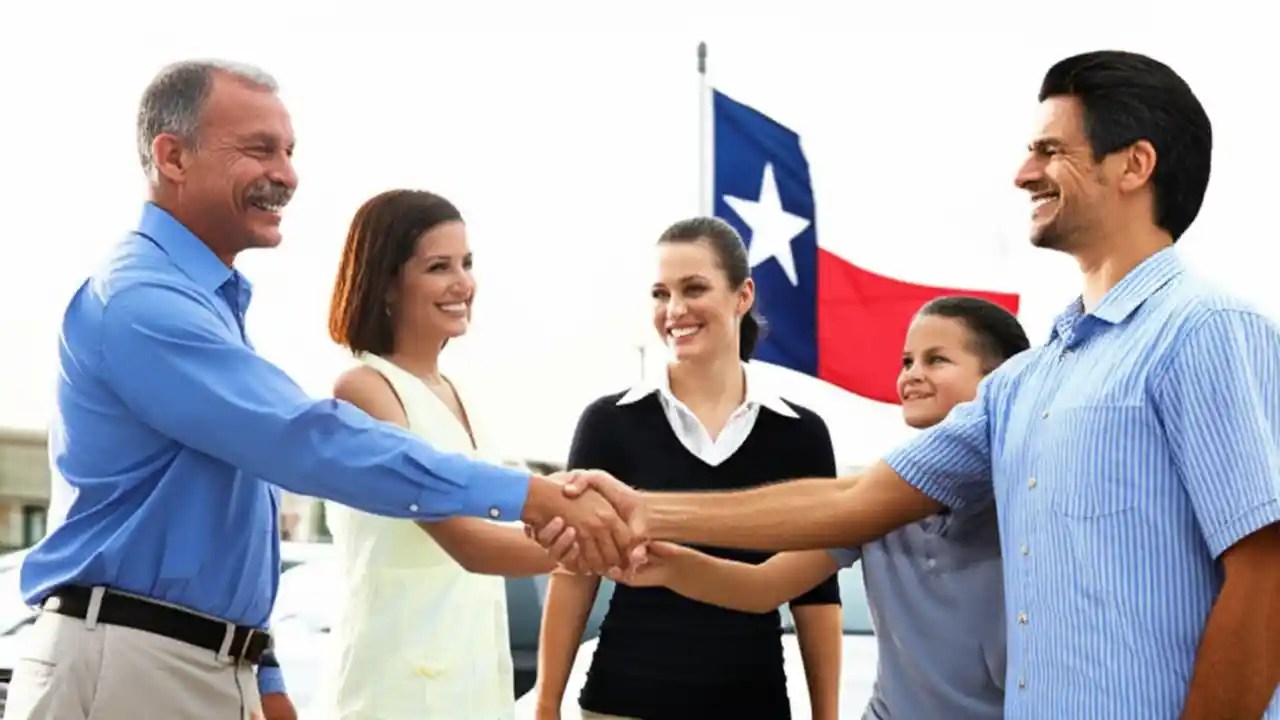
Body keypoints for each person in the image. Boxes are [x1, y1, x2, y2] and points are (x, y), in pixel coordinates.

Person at [543, 50, 1280, 718]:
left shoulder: (1205, 329)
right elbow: (854, 501)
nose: (1023, 173)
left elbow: (1266, 566)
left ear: (1134, 165)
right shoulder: (1028, 381)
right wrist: (634, 510)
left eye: (1050, 151)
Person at [8, 59, 631, 720]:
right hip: (130, 667)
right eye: (259, 149)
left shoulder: (206, 305)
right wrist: (533, 497)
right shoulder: (142, 302)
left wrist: (261, 670)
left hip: (193, 665)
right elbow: (307, 440)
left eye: (289, 152)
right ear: (173, 157)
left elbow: (222, 523)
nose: (286, 174)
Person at [610, 296, 1029, 719]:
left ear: (1000, 383)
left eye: (936, 360)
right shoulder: (876, 502)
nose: (912, 375)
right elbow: (762, 587)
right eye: (906, 362)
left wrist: (647, 512)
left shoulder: (1026, 502)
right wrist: (667, 566)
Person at [534, 217, 843, 720]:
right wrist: (547, 706)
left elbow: (816, 594)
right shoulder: (609, 423)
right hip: (623, 702)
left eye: (693, 288)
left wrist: (826, 717)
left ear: (742, 296)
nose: (674, 310)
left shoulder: (802, 434)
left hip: (755, 705)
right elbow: (574, 575)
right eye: (661, 294)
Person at [316, 188, 578, 718]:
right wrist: (599, 548)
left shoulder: (463, 399)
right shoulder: (364, 389)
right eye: (439, 266)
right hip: (398, 694)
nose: (463, 284)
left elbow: (518, 525)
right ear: (387, 282)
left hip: (475, 687)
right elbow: (468, 543)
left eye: (467, 263)